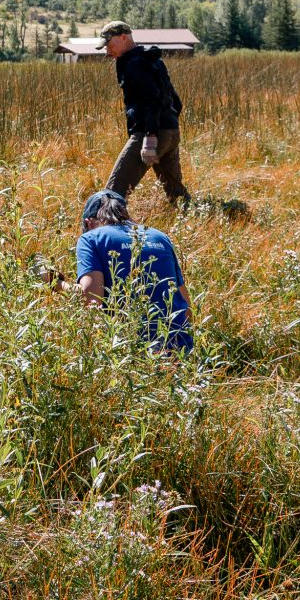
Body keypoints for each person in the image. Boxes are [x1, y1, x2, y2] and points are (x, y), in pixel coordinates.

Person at [68, 190, 193, 352]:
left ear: (89, 223)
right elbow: (186, 306)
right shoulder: (160, 237)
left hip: (133, 352)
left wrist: (56, 284)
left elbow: (91, 300)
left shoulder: (91, 238)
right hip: (180, 348)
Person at [97, 21, 191, 205]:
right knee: (176, 193)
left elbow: (151, 99)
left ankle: (104, 228)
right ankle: (193, 217)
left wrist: (150, 136)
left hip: (149, 135)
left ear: (123, 37)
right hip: (170, 132)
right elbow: (175, 100)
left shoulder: (135, 64)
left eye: (109, 44)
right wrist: (168, 126)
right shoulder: (152, 59)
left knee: (113, 193)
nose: (107, 51)